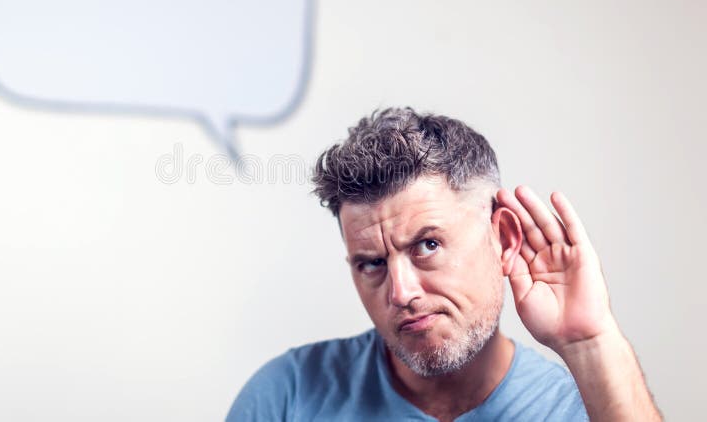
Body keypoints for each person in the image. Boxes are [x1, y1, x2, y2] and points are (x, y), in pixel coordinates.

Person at [227, 108, 661, 421]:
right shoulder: (288, 396)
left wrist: (591, 343)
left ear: (504, 239)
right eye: (372, 263)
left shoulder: (583, 407)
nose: (401, 293)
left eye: (428, 245)